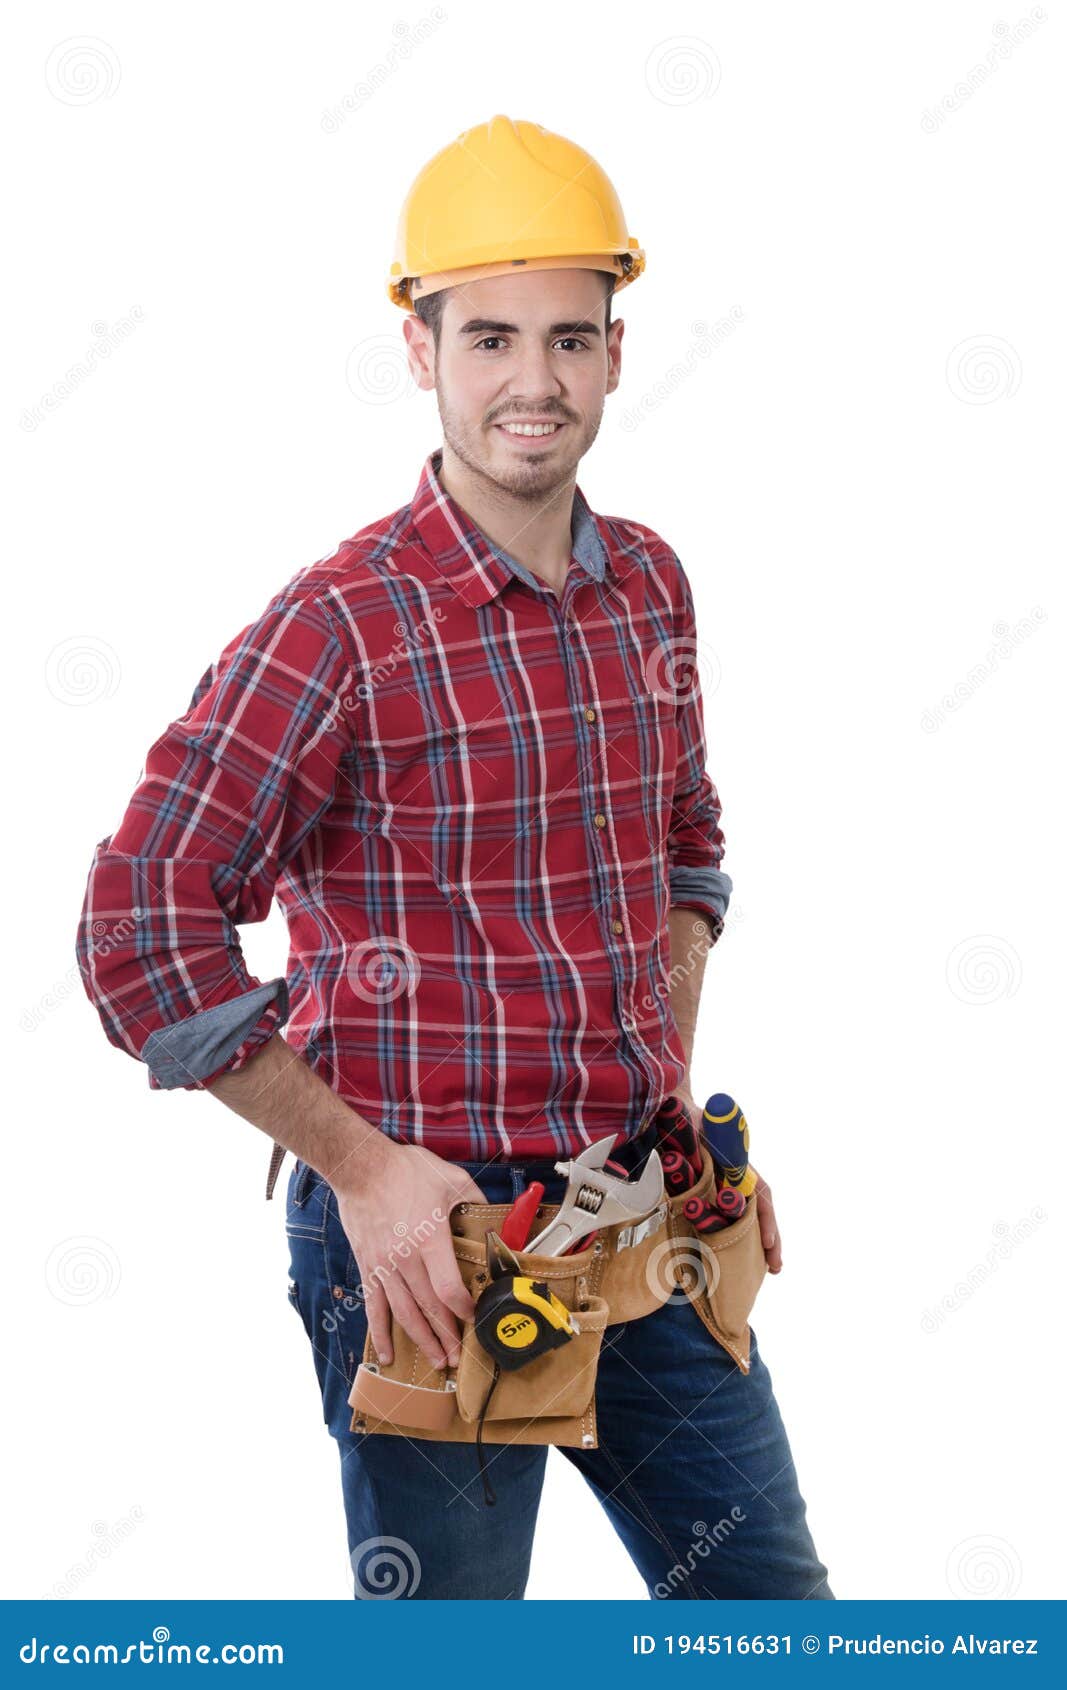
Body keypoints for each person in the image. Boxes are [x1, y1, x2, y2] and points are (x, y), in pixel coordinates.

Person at [76, 115, 833, 1601]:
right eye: (490, 338)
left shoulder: (648, 584)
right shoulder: (342, 625)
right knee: (453, 1653)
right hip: (433, 1245)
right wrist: (360, 1172)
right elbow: (138, 927)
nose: (533, 382)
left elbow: (685, 842)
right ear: (420, 348)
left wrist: (666, 1079)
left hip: (640, 1208)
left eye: (569, 337)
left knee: (776, 1626)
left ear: (616, 350)